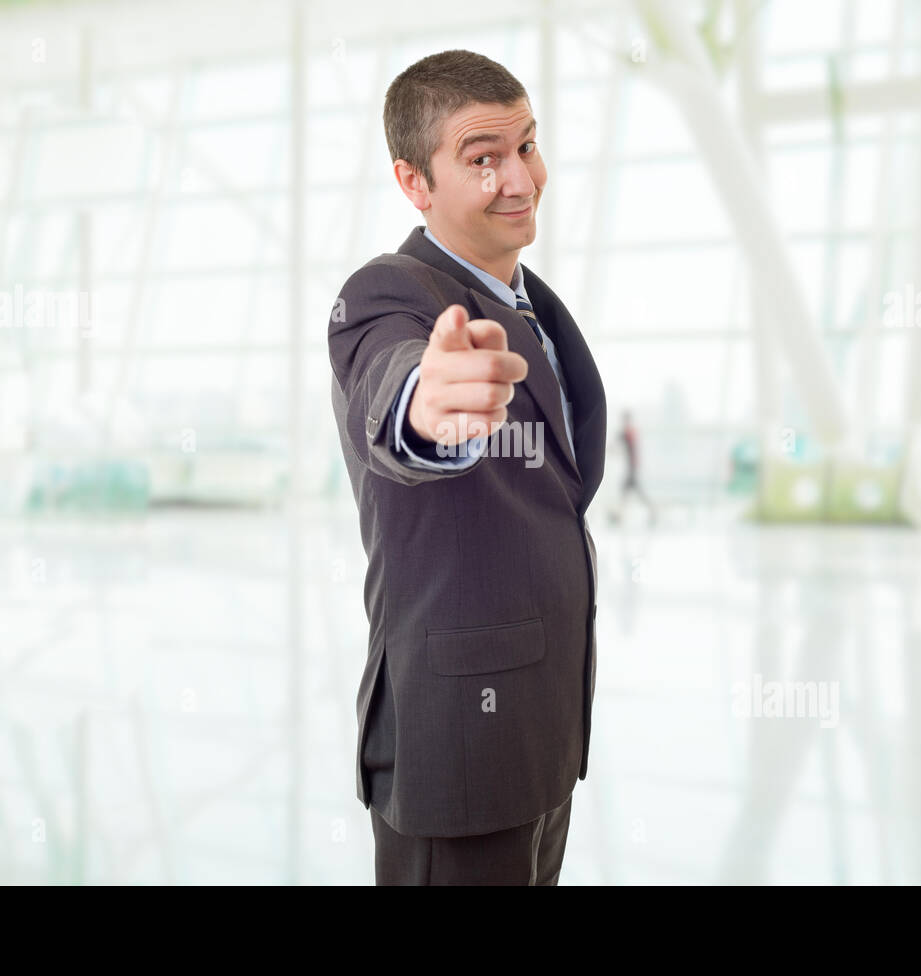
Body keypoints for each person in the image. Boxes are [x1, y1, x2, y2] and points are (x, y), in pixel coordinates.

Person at [327, 49, 607, 884]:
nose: (520, 178)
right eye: (484, 159)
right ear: (416, 183)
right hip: (455, 745)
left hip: (541, 734)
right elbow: (399, 387)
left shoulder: (533, 302)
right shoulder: (387, 294)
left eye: (527, 145)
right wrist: (431, 408)